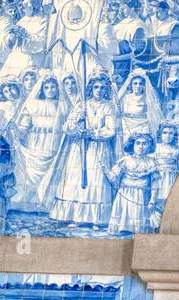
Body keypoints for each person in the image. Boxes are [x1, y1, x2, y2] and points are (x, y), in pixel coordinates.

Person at [47, 75, 120, 226]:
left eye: (102, 87)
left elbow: (111, 129)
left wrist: (93, 134)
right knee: (75, 179)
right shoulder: (82, 105)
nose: (99, 90)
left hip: (98, 147)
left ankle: (96, 219)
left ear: (106, 89)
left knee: (95, 179)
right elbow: (67, 126)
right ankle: (75, 217)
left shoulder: (109, 106)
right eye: (96, 87)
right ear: (91, 88)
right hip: (79, 147)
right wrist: (78, 128)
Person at [9, 75, 70, 213]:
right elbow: (24, 127)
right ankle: (27, 201)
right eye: (46, 87)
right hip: (34, 143)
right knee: (30, 173)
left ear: (58, 88)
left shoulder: (64, 106)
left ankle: (44, 202)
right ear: (42, 89)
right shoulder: (33, 105)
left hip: (52, 143)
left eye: (53, 87)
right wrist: (16, 129)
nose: (50, 90)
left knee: (49, 174)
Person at [107, 133, 160, 235]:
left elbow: (155, 183)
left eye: (144, 144)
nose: (141, 146)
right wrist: (106, 170)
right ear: (132, 144)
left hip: (142, 195)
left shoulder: (151, 162)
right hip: (125, 194)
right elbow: (113, 178)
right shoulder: (125, 160)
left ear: (149, 146)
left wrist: (152, 200)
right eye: (138, 143)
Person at [117, 69, 164, 139]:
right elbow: (116, 105)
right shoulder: (125, 97)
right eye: (135, 83)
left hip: (142, 127)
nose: (138, 86)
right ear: (131, 84)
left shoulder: (148, 98)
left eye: (140, 84)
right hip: (127, 127)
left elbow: (154, 113)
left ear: (144, 86)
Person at [152, 123, 179, 217]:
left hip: (171, 178)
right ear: (160, 134)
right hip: (158, 177)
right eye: (165, 133)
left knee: (169, 200)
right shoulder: (155, 148)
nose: (167, 136)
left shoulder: (178, 150)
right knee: (157, 200)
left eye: (171, 133)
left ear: (174, 135)